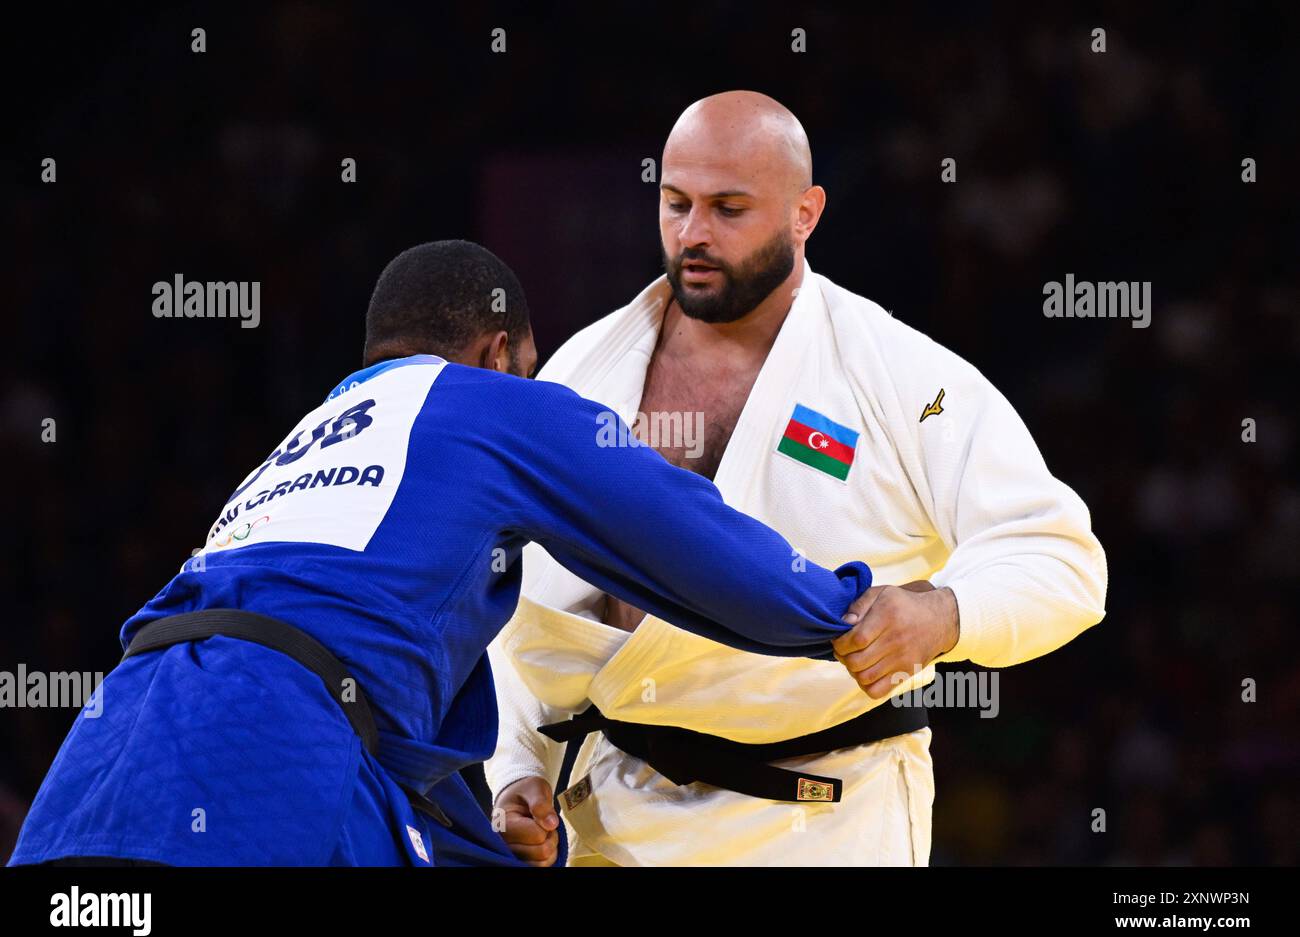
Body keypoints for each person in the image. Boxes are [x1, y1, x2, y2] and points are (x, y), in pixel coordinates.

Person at [7, 240, 875, 867]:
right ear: (501, 353)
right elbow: (691, 538)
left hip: (98, 760)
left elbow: (366, 706)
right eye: (528, 369)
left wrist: (495, 824)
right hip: (253, 755)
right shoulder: (489, 404)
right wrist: (854, 614)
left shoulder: (301, 441)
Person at [485, 91, 1108, 867]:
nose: (693, 235)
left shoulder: (898, 373)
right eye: (675, 204)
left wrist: (944, 615)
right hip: (614, 811)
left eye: (729, 209)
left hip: (823, 822)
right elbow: (518, 610)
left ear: (805, 214)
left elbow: (1063, 561)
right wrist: (515, 768)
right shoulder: (586, 368)